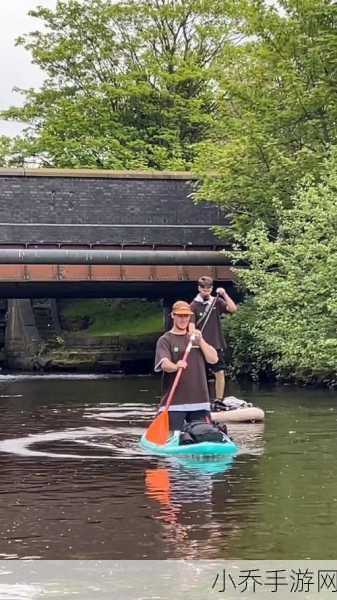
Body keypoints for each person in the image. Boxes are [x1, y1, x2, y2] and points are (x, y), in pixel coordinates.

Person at [154, 300, 218, 432]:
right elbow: (165, 364)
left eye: (186, 316)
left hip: (200, 402)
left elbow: (213, 359)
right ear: (172, 315)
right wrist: (176, 366)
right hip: (174, 405)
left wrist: (200, 341)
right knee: (175, 437)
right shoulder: (165, 340)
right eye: (180, 315)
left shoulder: (196, 338)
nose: (183, 319)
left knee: (204, 435)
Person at [190, 275, 237, 402]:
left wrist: (224, 294)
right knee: (200, 375)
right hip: (200, 347)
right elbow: (191, 327)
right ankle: (200, 400)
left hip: (216, 344)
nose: (206, 290)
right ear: (199, 288)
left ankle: (218, 400)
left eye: (209, 288)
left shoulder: (216, 301)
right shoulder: (193, 305)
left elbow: (232, 309)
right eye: (203, 288)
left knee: (220, 372)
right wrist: (196, 336)